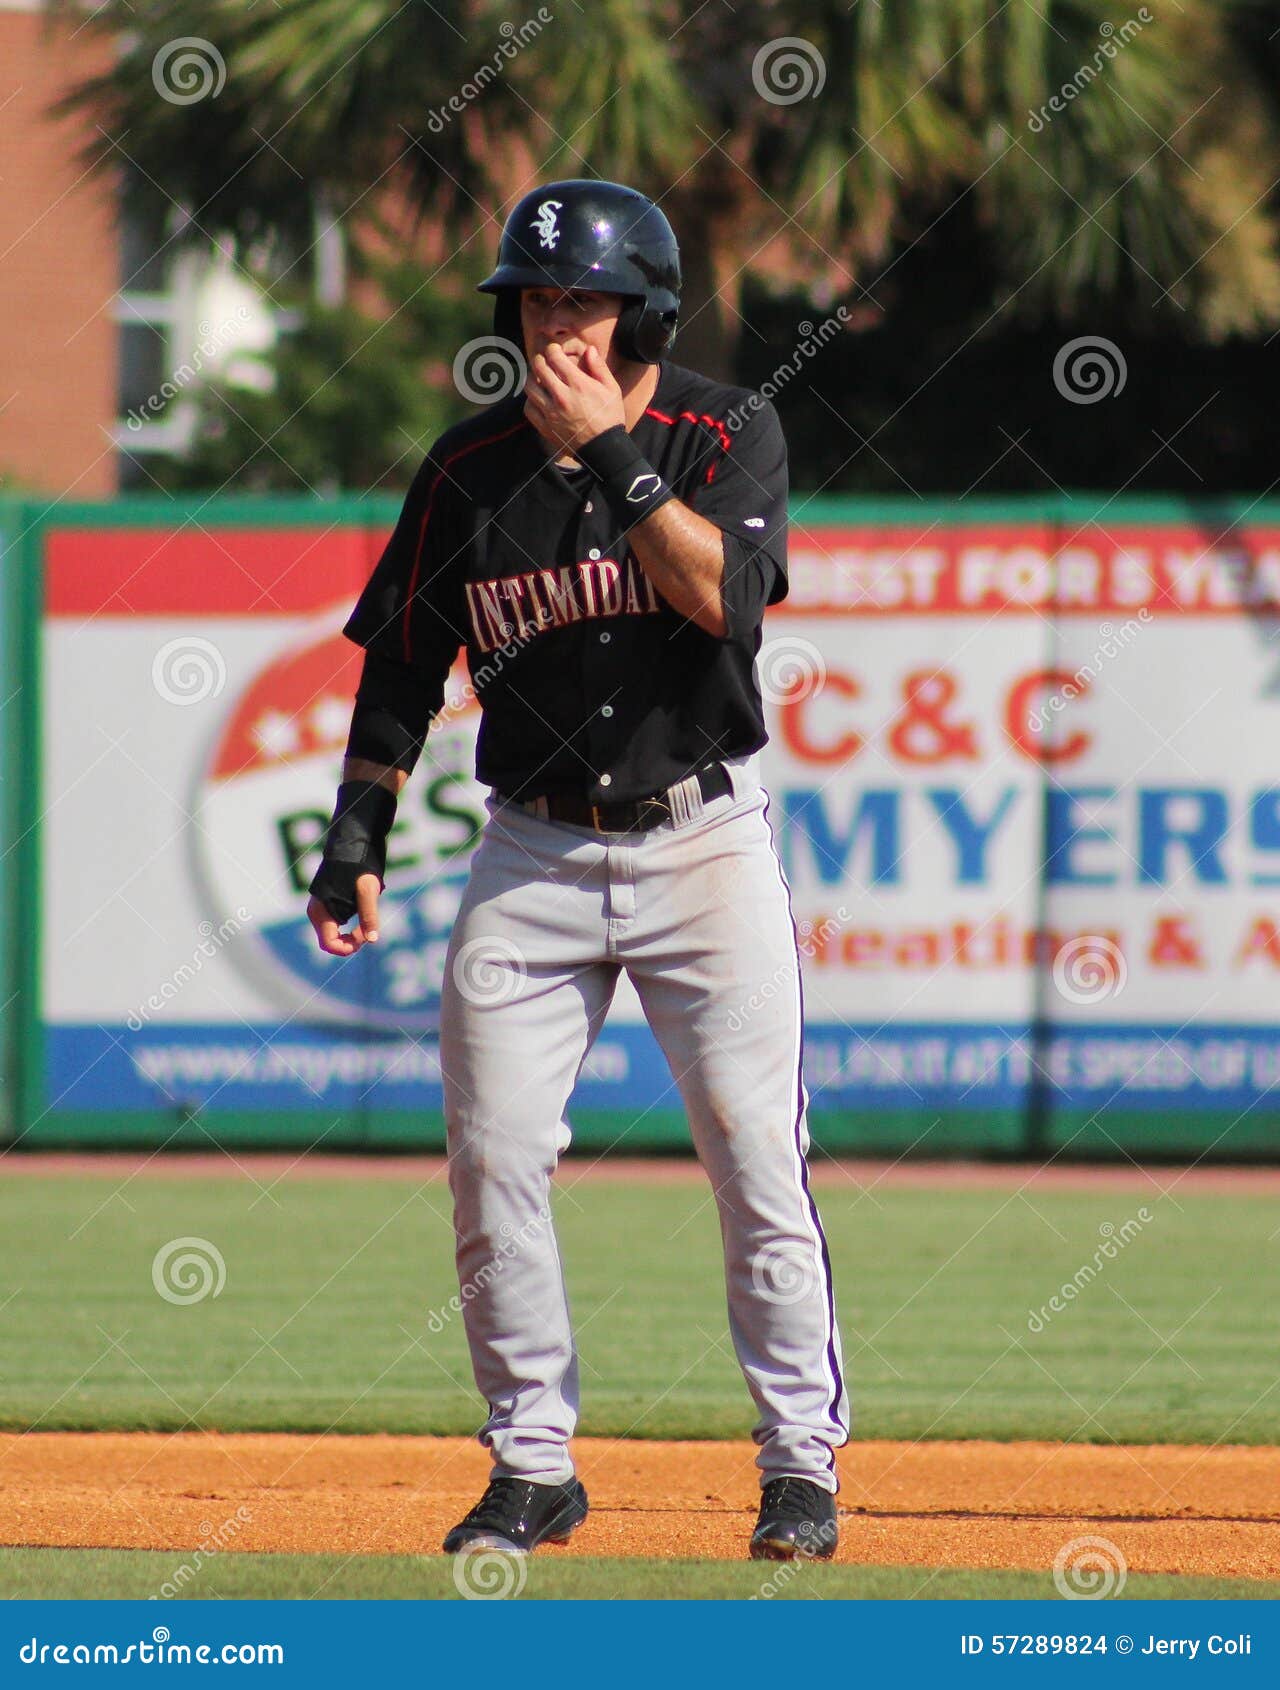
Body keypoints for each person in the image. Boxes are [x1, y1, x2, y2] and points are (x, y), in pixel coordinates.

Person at [308, 179, 849, 1561]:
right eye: (537, 299)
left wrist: (613, 453)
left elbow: (719, 593)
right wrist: (356, 832)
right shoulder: (466, 466)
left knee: (752, 1156)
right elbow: (400, 666)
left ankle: (799, 1467)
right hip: (530, 848)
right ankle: (533, 1462)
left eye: (584, 299)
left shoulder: (727, 428)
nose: (556, 322)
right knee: (492, 1157)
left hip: (702, 839)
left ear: (648, 310)